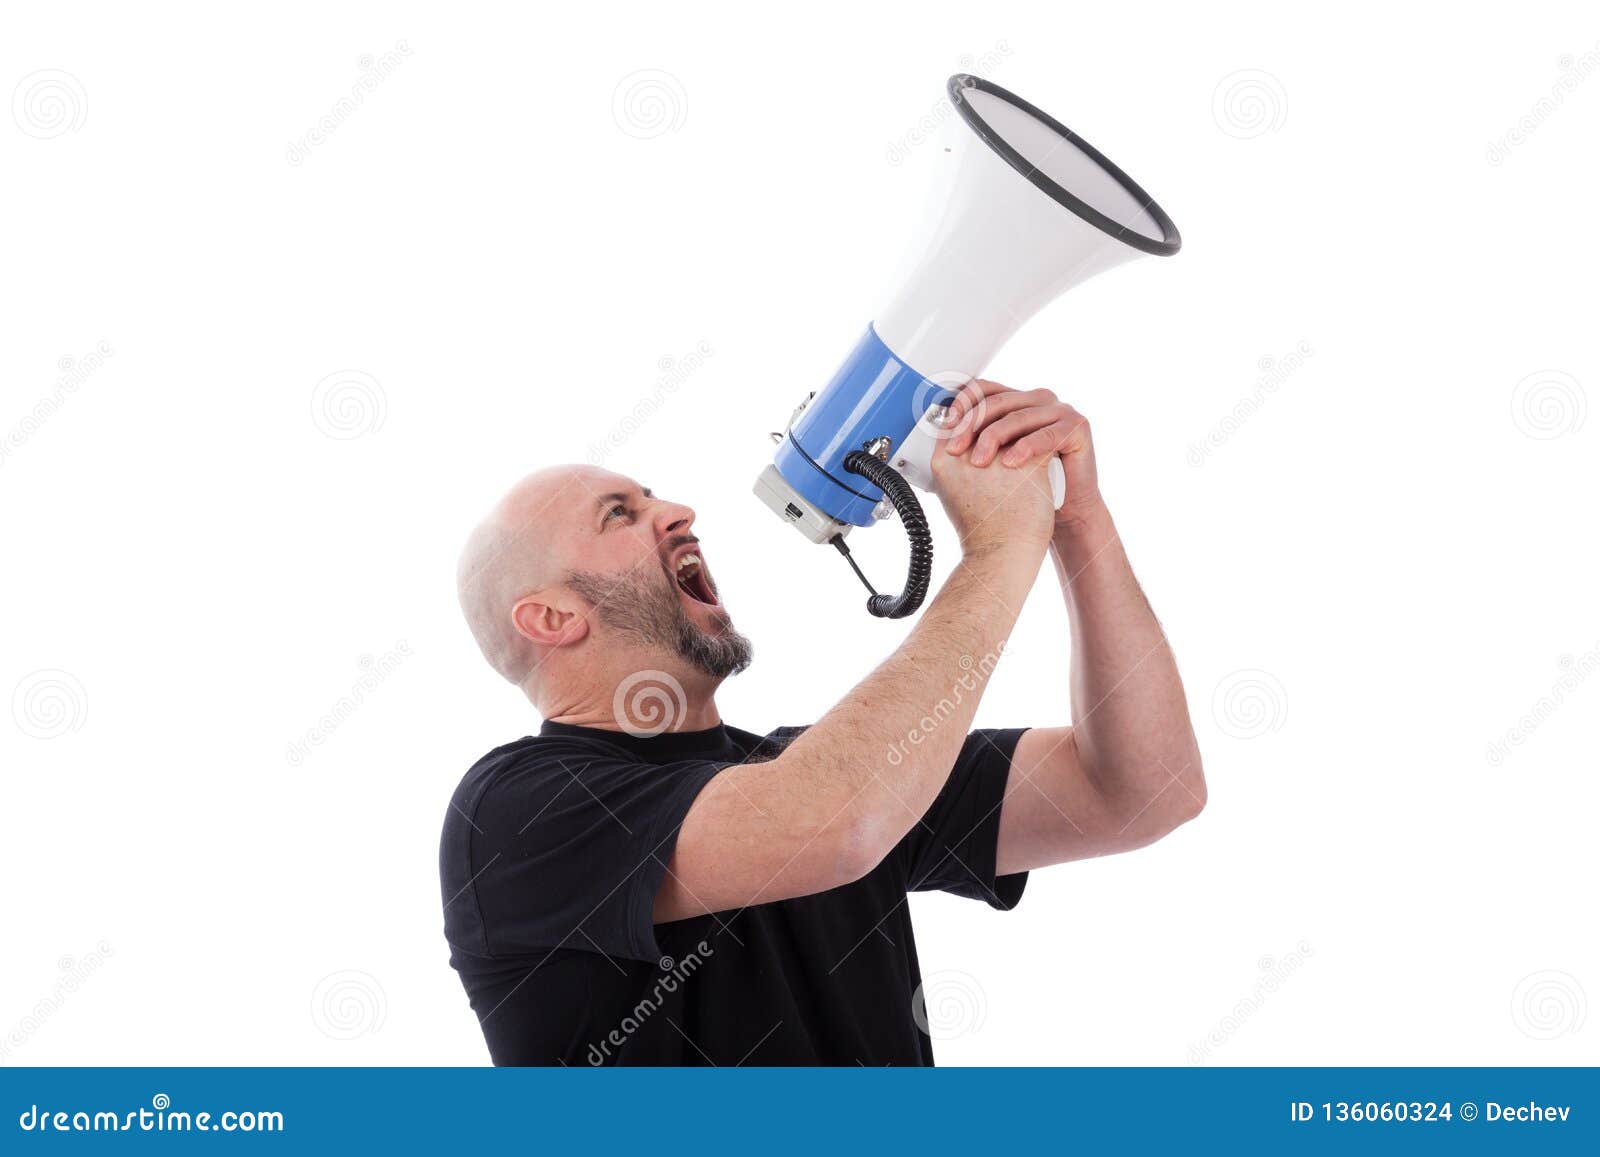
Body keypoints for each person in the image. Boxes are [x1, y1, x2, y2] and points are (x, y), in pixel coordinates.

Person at [440, 380, 1205, 1064]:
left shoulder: (826, 766)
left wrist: (1075, 521)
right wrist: (1001, 546)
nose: (679, 512)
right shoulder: (512, 813)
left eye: (653, 497)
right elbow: (834, 820)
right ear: (550, 616)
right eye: (621, 514)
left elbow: (1145, 788)